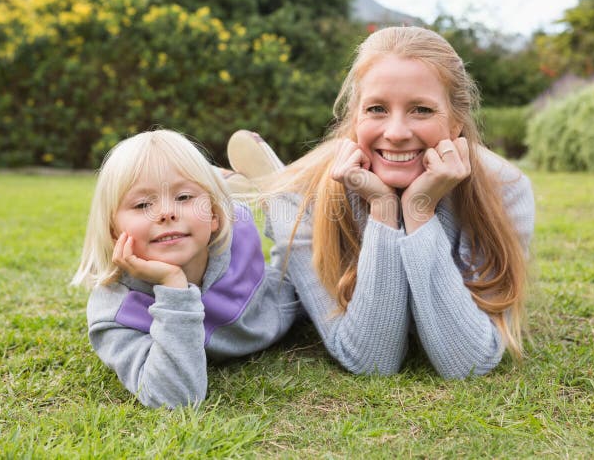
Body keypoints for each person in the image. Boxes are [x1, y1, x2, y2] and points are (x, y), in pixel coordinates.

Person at [230, 26, 534, 378]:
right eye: (377, 109)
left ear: (455, 123)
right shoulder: (298, 198)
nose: (397, 133)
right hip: (296, 199)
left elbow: (468, 361)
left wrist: (419, 209)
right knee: (278, 305)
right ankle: (266, 183)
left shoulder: (506, 189)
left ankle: (267, 177)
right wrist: (382, 208)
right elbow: (373, 360)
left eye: (421, 110)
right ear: (355, 117)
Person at [71, 129, 299, 408]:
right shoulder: (117, 315)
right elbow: (176, 397)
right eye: (143, 204)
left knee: (298, 244)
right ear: (112, 231)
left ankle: (273, 192)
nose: (166, 213)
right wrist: (173, 286)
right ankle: (217, 183)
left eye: (182, 198)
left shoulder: (235, 225)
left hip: (281, 298)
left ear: (214, 217)